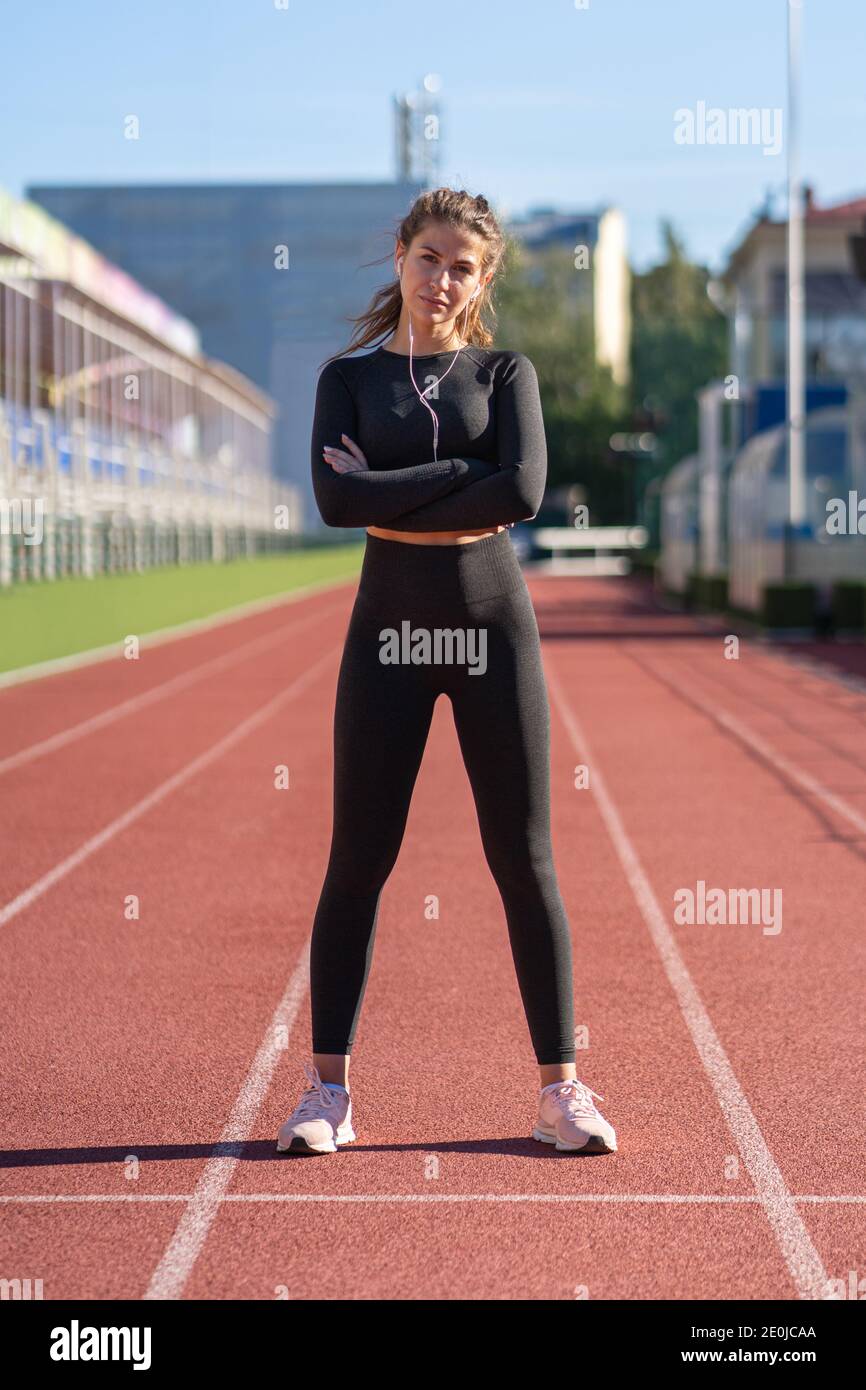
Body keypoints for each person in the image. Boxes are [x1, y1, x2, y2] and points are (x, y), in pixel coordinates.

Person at [276, 188, 617, 1157]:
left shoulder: (506, 370)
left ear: (484, 277)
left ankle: (559, 1093)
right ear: (398, 256)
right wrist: (450, 475)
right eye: (427, 257)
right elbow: (336, 501)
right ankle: (326, 1095)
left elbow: (523, 488)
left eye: (460, 265)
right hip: (385, 630)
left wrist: (398, 486)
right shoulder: (346, 379)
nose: (440, 279)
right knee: (359, 858)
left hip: (488, 626)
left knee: (524, 857)